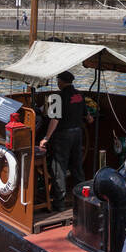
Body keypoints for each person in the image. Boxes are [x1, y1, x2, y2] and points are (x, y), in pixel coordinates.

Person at [39, 70, 90, 208]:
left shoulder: (57, 97)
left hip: (63, 136)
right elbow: (88, 117)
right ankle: (84, 200)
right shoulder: (80, 95)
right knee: (77, 167)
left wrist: (46, 138)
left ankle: (60, 203)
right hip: (78, 134)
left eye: (58, 81)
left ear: (60, 81)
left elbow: (54, 120)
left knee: (59, 167)